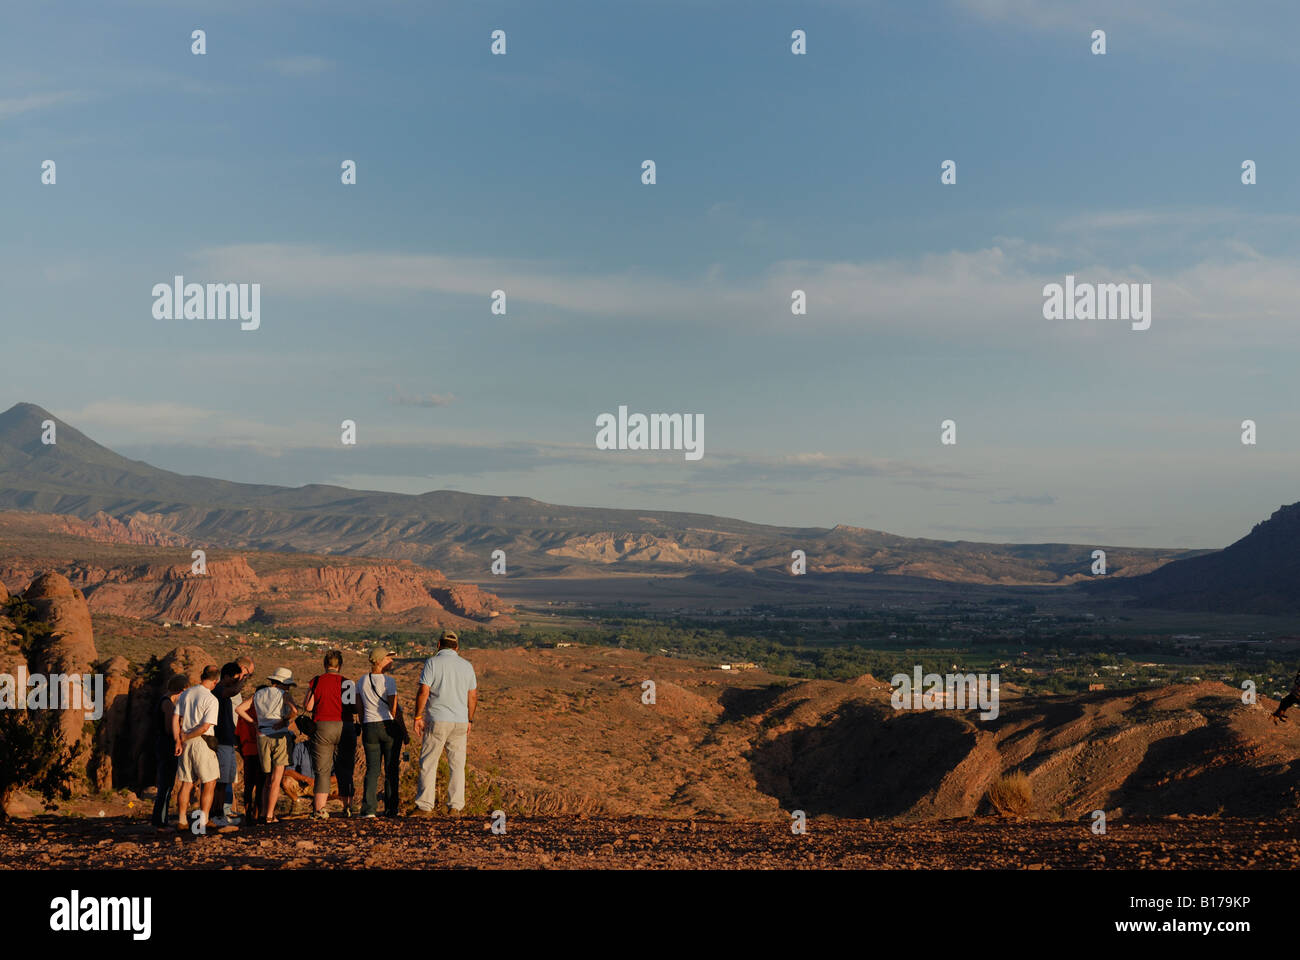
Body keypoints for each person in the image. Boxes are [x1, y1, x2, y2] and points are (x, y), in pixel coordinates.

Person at [412, 631, 477, 817]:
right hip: (460, 721)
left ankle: (425, 806)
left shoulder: (433, 663)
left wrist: (417, 716)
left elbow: (424, 691)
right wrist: (469, 719)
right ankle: (455, 806)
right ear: (457, 647)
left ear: (439, 645)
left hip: (438, 719)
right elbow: (472, 695)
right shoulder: (467, 666)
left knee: (429, 762)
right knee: (457, 764)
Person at [302, 650, 358, 819]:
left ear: (325, 664)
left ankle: (320, 810)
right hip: (346, 726)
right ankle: (347, 807)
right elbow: (353, 708)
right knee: (346, 768)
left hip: (323, 727)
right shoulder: (347, 683)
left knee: (323, 770)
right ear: (339, 665)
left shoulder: (317, 681)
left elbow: (308, 706)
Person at [237, 667, 297, 824]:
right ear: (283, 683)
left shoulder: (258, 694)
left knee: (267, 777)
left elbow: (239, 709)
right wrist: (284, 720)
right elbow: (294, 711)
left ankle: (263, 813)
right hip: (279, 736)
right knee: (277, 778)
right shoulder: (284, 694)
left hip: (262, 736)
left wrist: (254, 723)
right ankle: (270, 815)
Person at [173, 665, 227, 833]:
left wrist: (178, 740)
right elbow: (205, 727)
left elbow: (176, 717)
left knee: (186, 782)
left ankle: (182, 820)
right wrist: (187, 737)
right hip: (202, 742)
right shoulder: (211, 699)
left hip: (185, 742)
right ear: (216, 681)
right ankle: (202, 821)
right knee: (209, 782)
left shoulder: (187, 694)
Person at [358, 647, 403, 818]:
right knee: (391, 769)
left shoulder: (361, 681)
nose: (391, 661)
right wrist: (402, 730)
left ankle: (369, 809)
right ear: (378, 661)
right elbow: (393, 709)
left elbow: (359, 708)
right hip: (387, 726)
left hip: (369, 727)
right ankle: (391, 808)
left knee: (372, 770)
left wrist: (365, 724)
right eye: (387, 658)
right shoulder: (389, 682)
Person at [150, 674, 189, 830]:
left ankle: (160, 819)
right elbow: (168, 728)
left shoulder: (165, 700)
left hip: (163, 744)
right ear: (180, 690)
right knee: (165, 785)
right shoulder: (167, 704)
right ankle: (160, 821)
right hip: (166, 745)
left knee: (166, 784)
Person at [212, 662, 244, 826]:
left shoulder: (222, 691)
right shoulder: (219, 690)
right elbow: (233, 691)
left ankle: (220, 814)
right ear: (226, 677)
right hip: (222, 740)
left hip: (228, 740)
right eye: (235, 678)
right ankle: (216, 814)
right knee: (220, 781)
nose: (236, 682)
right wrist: (245, 678)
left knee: (227, 779)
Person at [235, 684, 263, 823]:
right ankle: (257, 814)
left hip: (247, 751)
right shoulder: (263, 712)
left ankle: (247, 814)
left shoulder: (243, 715)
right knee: (260, 785)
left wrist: (242, 751)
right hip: (260, 751)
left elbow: (237, 735)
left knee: (248, 785)